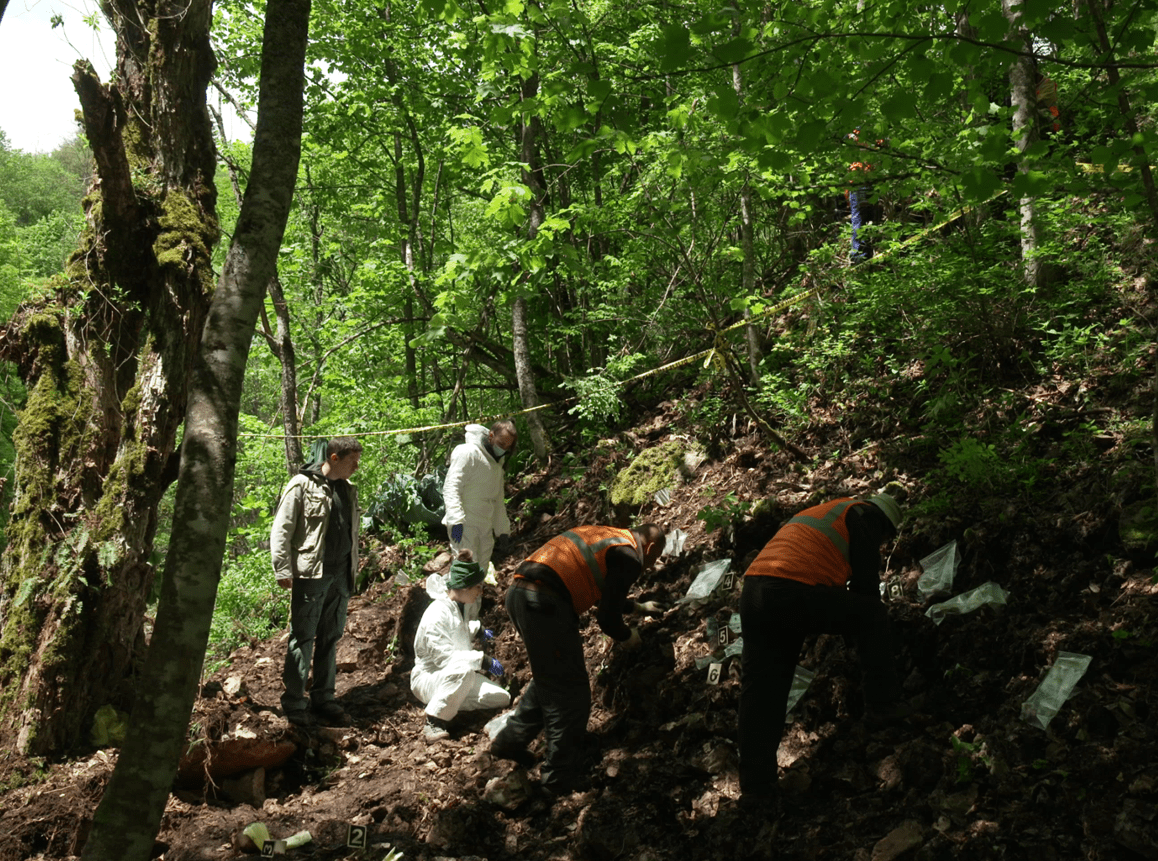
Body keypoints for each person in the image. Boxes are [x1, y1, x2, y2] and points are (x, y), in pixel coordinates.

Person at [738, 492, 903, 814]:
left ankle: (757, 789)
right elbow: (866, 590)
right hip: (791, 590)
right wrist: (861, 639)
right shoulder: (864, 516)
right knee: (873, 615)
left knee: (762, 690)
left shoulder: (828, 510)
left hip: (755, 591)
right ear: (885, 526)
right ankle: (883, 707)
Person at [489, 523, 668, 796]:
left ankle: (510, 741)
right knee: (570, 693)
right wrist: (627, 636)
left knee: (550, 677)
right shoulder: (631, 555)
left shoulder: (610, 537)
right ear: (651, 547)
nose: (652, 565)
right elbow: (607, 618)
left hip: (520, 594)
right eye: (656, 557)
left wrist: (636, 607)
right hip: (544, 601)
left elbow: (597, 586)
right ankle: (557, 779)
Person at [271, 436, 363, 728]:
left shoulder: (348, 491)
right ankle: (295, 702)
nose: (357, 467)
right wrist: (282, 569)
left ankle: (324, 698)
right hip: (311, 574)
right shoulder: (301, 485)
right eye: (352, 460)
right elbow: (282, 528)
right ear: (334, 458)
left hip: (340, 574)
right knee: (303, 637)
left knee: (330, 637)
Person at [411, 550, 511, 742]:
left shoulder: (458, 606)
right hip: (430, 677)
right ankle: (434, 721)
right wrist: (483, 660)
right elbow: (444, 658)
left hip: (455, 674)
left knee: (501, 697)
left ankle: (450, 705)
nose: (480, 592)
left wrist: (479, 630)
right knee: (464, 671)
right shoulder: (436, 614)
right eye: (477, 587)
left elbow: (458, 630)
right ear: (464, 587)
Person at [442, 419, 517, 571]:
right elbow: (451, 486)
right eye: (501, 443)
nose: (503, 449)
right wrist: (456, 521)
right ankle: (453, 595)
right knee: (465, 571)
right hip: (464, 524)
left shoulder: (497, 466)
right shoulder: (468, 452)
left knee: (480, 573)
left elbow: (497, 501)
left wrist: (502, 531)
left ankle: (476, 596)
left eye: (507, 447)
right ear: (491, 435)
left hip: (485, 527)